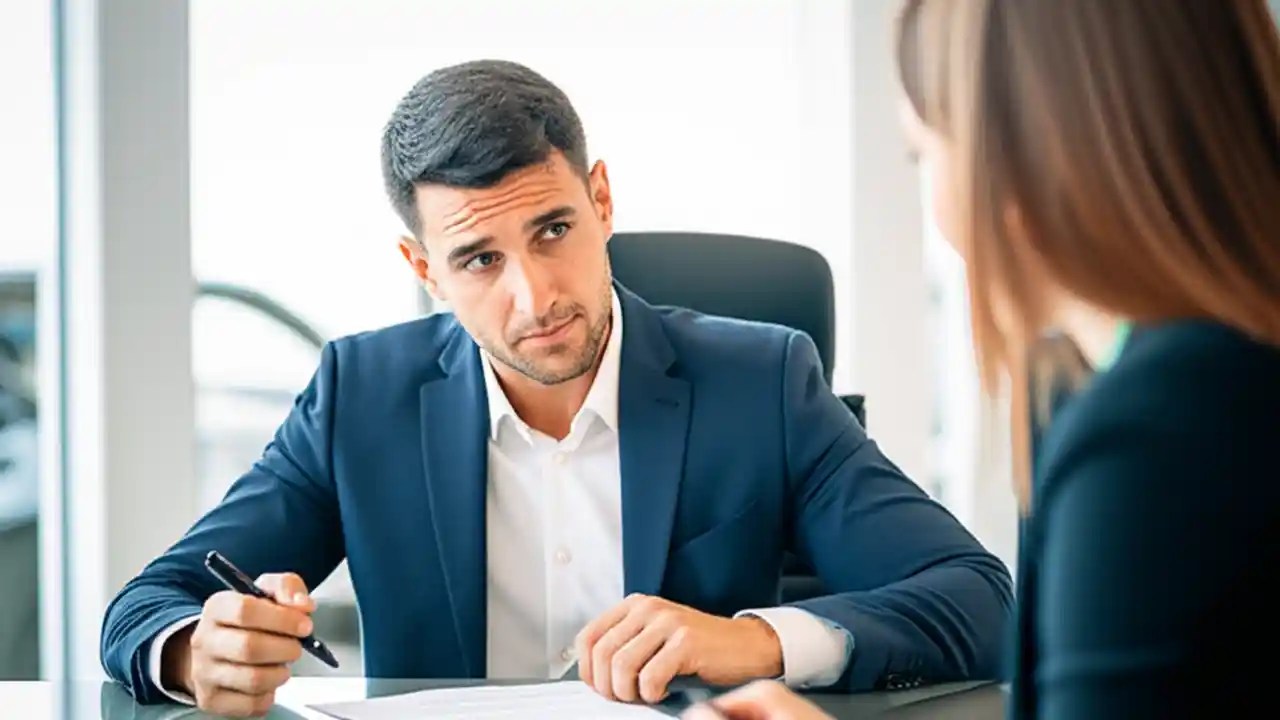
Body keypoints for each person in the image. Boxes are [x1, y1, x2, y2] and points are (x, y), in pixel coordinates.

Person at [99, 60, 1013, 717]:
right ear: (424, 266)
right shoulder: (359, 396)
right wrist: (192, 650)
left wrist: (755, 640)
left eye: (552, 230)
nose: (534, 297)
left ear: (602, 200)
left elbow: (977, 597)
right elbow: (145, 607)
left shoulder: (761, 381)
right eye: (479, 259)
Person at [684, 0, 1280, 718]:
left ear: (1022, 148)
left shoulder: (1150, 435)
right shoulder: (1155, 387)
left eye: (926, 154)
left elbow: (970, 591)